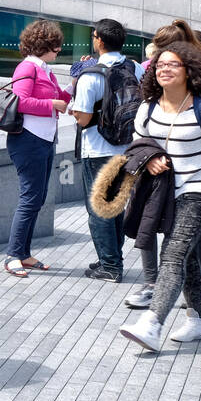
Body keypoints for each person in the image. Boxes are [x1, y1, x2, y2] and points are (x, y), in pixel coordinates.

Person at [119, 43, 201, 351]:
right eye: (160, 65)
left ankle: (152, 323)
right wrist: (151, 158)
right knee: (184, 255)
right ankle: (198, 319)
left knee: (171, 255)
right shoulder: (148, 107)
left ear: (189, 72)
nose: (164, 69)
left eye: (173, 65)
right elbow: (137, 144)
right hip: (165, 192)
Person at [71, 19, 143, 282]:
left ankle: (110, 266)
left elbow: (82, 118)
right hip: (127, 146)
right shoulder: (134, 67)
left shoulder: (89, 75)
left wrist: (74, 109)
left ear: (98, 39)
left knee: (99, 209)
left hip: (98, 148)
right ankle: (111, 258)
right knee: (116, 205)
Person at [3, 19, 71, 277]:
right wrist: (52, 105)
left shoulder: (46, 70)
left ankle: (23, 253)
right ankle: (12, 255)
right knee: (30, 198)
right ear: (45, 45)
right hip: (28, 139)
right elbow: (20, 102)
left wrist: (73, 83)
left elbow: (60, 100)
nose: (58, 51)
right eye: (56, 46)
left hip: (44, 138)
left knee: (38, 198)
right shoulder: (27, 67)